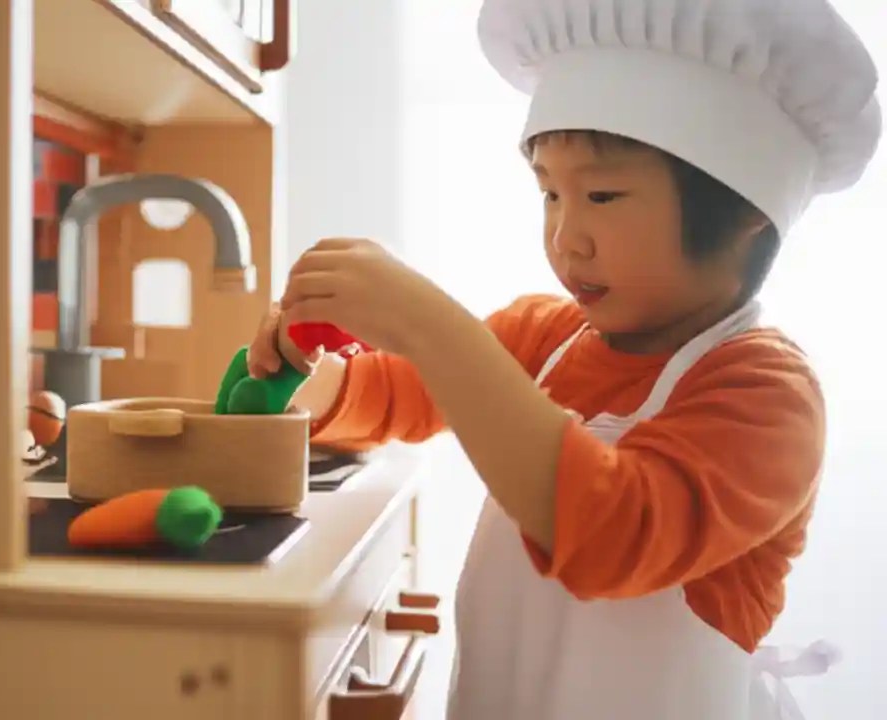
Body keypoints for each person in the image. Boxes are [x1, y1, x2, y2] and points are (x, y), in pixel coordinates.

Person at [246, 0, 881, 718]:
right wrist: (310, 371)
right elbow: (393, 394)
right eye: (550, 192)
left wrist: (428, 321)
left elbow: (616, 532)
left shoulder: (769, 397)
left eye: (602, 194)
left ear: (743, 219)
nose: (565, 237)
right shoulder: (543, 338)